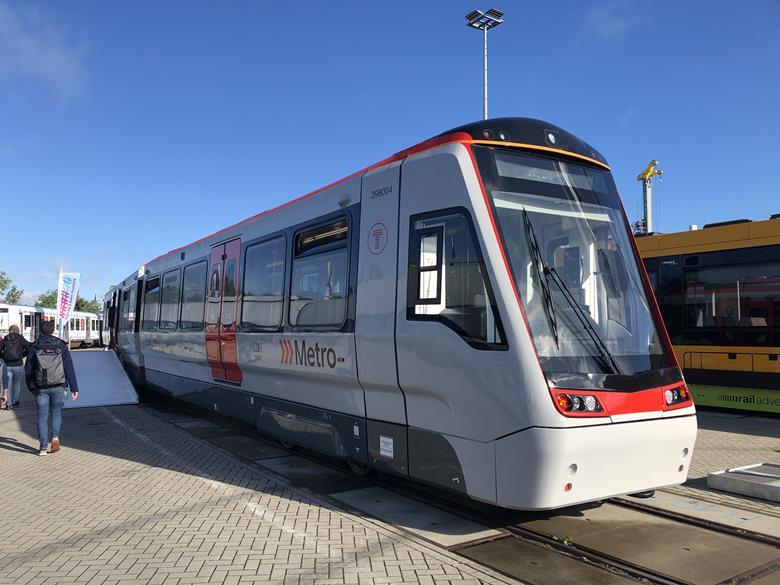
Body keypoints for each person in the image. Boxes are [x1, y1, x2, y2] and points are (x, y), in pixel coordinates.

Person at [25, 320, 79, 456]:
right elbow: (69, 368)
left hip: (40, 387)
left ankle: (43, 448)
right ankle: (55, 437)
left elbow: (28, 370)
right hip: (59, 385)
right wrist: (74, 388)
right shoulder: (61, 346)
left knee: (42, 416)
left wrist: (31, 387)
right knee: (56, 412)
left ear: (40, 331)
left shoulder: (34, 346)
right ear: (53, 330)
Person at [0, 325, 31, 409]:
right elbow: (29, 347)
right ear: (18, 330)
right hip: (18, 364)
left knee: (8, 384)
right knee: (17, 383)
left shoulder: (5, 339)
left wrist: (4, 357)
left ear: (9, 330)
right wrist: (22, 355)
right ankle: (15, 401)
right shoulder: (20, 338)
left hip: (7, 365)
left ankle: (9, 403)